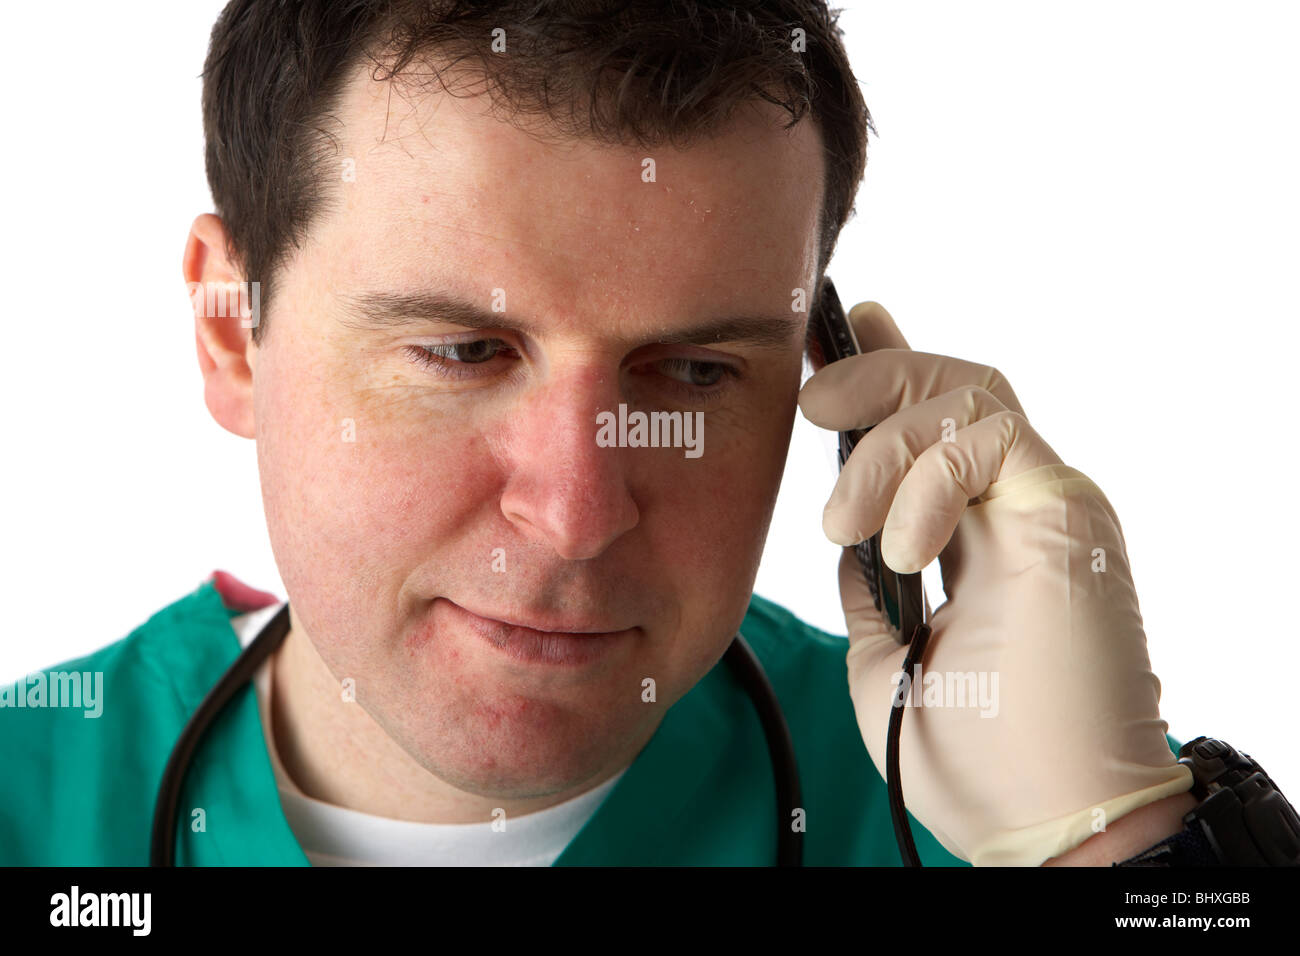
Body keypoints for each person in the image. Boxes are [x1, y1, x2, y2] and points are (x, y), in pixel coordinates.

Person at [0, 0, 1246, 867]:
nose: (580, 511)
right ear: (233, 333)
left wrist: (1113, 837)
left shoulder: (986, 801)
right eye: (462, 352)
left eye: (697, 369)